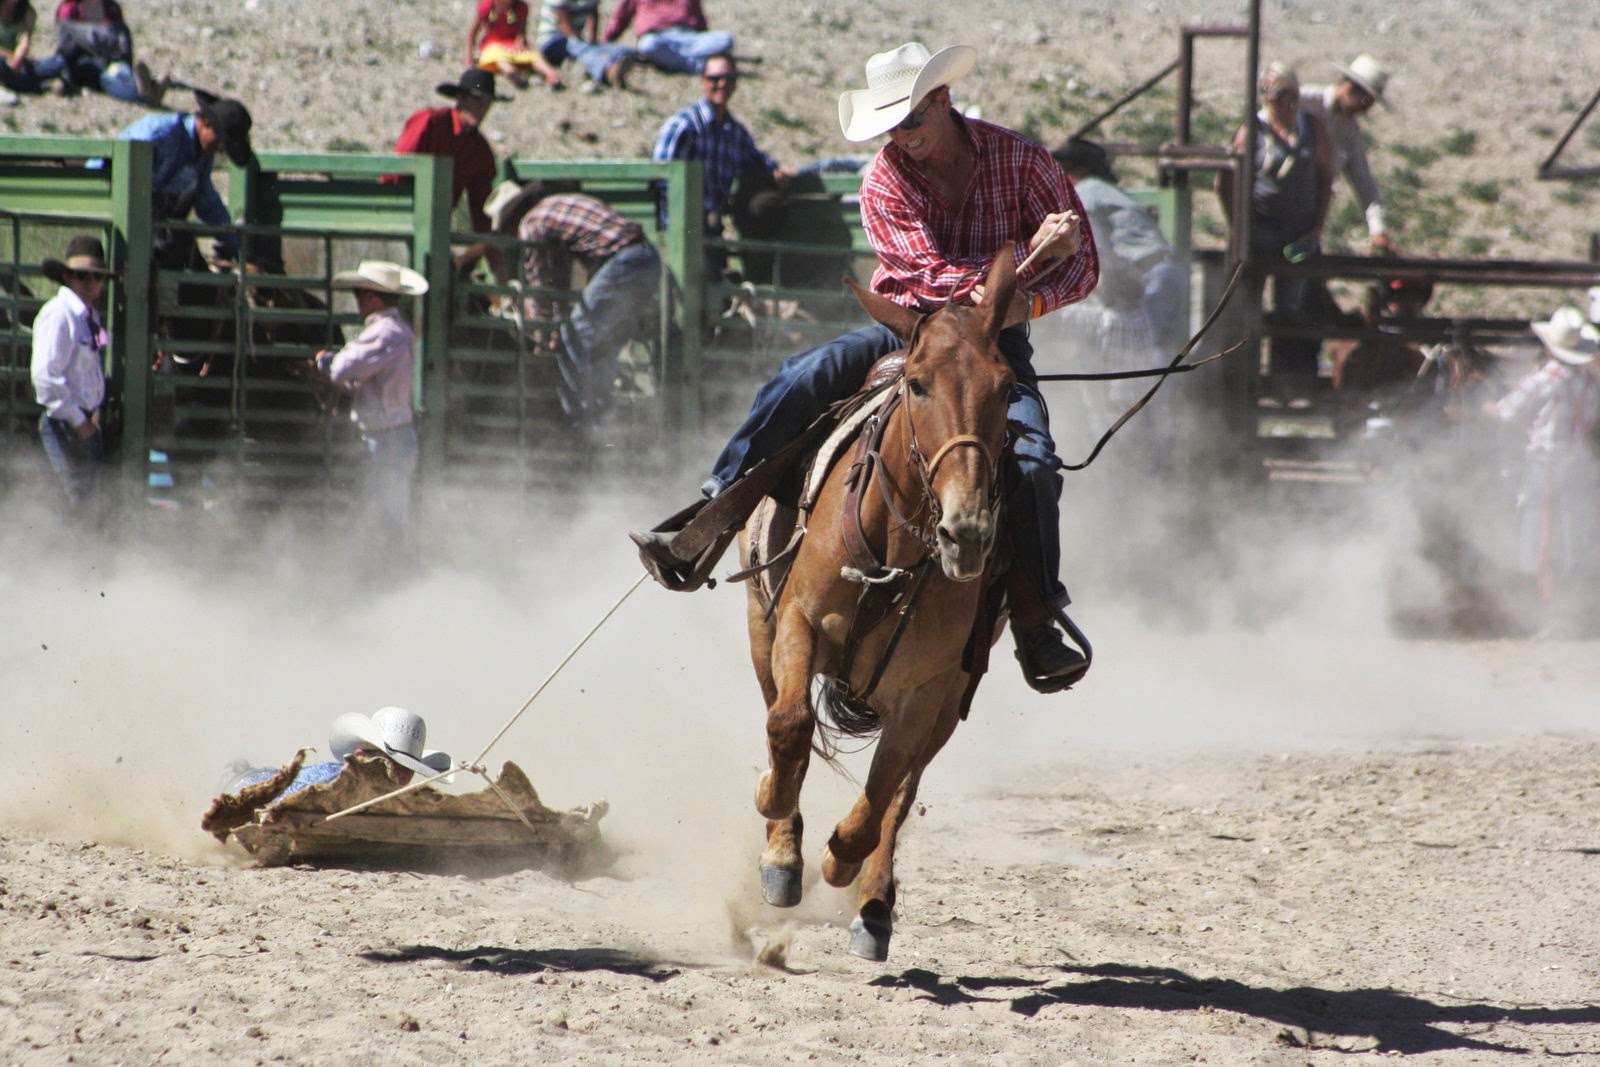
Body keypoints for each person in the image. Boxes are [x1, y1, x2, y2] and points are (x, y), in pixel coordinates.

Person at [632, 42, 1100, 690]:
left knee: (1035, 463)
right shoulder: (884, 179)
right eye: (890, 127)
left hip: (996, 341)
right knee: (803, 376)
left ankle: (1036, 616)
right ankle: (713, 514)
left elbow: (1084, 262)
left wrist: (1027, 301)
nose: (901, 138)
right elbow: (933, 281)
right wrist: (1027, 260)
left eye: (910, 120)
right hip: (907, 328)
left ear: (942, 99)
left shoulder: (1022, 160)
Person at [484, 178, 662, 422]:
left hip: (625, 261)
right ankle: (601, 417)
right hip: (646, 258)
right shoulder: (552, 211)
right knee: (604, 343)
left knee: (574, 338)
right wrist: (553, 328)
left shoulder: (531, 225)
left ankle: (577, 421)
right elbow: (556, 284)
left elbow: (541, 288)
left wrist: (543, 340)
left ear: (512, 218)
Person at [1038, 137, 1185, 424]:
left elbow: (1097, 252)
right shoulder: (1108, 191)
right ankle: (1161, 423)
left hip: (1151, 276)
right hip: (1166, 272)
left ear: (1075, 171)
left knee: (1137, 355)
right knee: (1157, 354)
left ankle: (1138, 426)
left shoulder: (1084, 194)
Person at [1216, 62, 1332, 391]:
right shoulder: (1251, 131)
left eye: (1285, 94)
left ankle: (1289, 383)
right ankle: (1242, 384)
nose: (1279, 101)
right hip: (1260, 234)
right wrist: (1240, 227)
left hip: (1299, 234)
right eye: (1272, 94)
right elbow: (1224, 182)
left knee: (1294, 308)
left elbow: (1325, 179)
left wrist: (1317, 228)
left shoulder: (1312, 129)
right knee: (1246, 306)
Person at [1484, 306, 1600, 632]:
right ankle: (1571, 609)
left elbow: (1508, 411)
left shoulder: (1545, 380)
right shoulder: (1591, 385)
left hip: (1547, 464)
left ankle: (1552, 614)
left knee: (1544, 535)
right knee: (1572, 533)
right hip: (1579, 466)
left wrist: (1484, 406)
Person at [307, 261, 429, 560]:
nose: (358, 300)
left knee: (381, 518)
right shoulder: (395, 332)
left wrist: (325, 361)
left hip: (386, 440)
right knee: (384, 516)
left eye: (359, 294)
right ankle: (388, 574)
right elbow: (368, 382)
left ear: (373, 297)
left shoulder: (386, 332)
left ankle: (392, 574)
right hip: (392, 436)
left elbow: (344, 368)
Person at [651, 53, 792, 278]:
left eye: (728, 78)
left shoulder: (734, 132)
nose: (721, 84)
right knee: (706, 280)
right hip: (682, 223)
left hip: (712, 226)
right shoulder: (684, 126)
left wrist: (777, 172)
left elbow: (758, 162)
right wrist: (676, 227)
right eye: (714, 78)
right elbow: (661, 177)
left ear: (735, 84)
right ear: (703, 81)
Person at [114, 90, 255, 266]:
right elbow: (120, 174)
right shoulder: (160, 133)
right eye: (220, 142)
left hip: (155, 223)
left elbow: (207, 202)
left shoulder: (203, 155)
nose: (220, 149)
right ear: (205, 123)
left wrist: (236, 245)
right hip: (124, 214)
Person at [30, 233, 113, 516]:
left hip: (84, 420)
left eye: (97, 276)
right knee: (76, 501)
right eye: (81, 275)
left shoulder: (89, 318)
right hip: (67, 423)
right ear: (67, 277)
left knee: (86, 502)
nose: (90, 283)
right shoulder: (59, 314)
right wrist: (79, 421)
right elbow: (45, 375)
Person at [390, 69, 508, 265]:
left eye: (487, 103)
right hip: (400, 216)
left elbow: (482, 209)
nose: (482, 108)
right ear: (460, 98)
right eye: (477, 100)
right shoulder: (430, 122)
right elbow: (396, 172)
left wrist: (487, 247)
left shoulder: (480, 150)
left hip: (437, 229)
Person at [224, 706, 453, 798]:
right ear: (361, 756)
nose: (401, 775)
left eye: (408, 768)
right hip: (242, 782)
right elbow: (273, 799)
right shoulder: (329, 780)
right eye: (391, 763)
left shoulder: (396, 799)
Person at [1299, 54, 1392, 254]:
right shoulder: (1304, 100)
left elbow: (1364, 182)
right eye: (1366, 102)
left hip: (1308, 221)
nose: (1365, 111)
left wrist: (1378, 228)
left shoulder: (1350, 133)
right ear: (1350, 88)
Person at [43, 0, 167, 104]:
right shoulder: (69, 9)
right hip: (85, 63)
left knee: (121, 71)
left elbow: (122, 41)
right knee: (109, 77)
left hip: (112, 60)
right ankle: (144, 95)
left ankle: (147, 87)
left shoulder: (111, 8)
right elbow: (66, 47)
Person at [601, 0, 730, 75]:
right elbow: (621, 18)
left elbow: (700, 19)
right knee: (647, 46)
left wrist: (704, 40)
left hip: (688, 37)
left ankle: (675, 61)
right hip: (658, 37)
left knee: (726, 40)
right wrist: (604, 41)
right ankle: (698, 65)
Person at [535, 0, 634, 91]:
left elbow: (593, 14)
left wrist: (593, 42)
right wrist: (587, 45)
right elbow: (564, 26)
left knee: (609, 48)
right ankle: (608, 71)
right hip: (552, 41)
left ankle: (630, 58)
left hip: (576, 41)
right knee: (581, 48)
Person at [467, 0, 563, 91]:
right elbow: (473, 34)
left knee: (533, 56)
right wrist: (469, 58)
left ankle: (551, 76)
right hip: (493, 43)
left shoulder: (520, 7)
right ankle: (512, 74)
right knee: (498, 57)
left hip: (511, 43)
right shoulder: (487, 7)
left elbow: (521, 32)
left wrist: (520, 41)